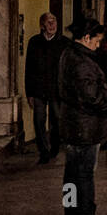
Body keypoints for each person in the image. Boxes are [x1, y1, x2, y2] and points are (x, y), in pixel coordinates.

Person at [58, 17, 107, 215]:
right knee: (85, 173)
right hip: (85, 126)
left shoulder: (68, 54)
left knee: (71, 173)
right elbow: (91, 96)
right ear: (86, 38)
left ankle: (70, 214)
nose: (98, 45)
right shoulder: (82, 62)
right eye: (96, 40)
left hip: (71, 123)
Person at [25, 11, 69, 164]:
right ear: (42, 25)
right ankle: (43, 152)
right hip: (38, 89)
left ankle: (54, 148)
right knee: (39, 121)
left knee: (57, 120)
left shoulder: (64, 43)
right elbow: (29, 68)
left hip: (56, 90)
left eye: (54, 21)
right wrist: (29, 92)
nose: (52, 25)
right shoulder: (34, 42)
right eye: (48, 22)